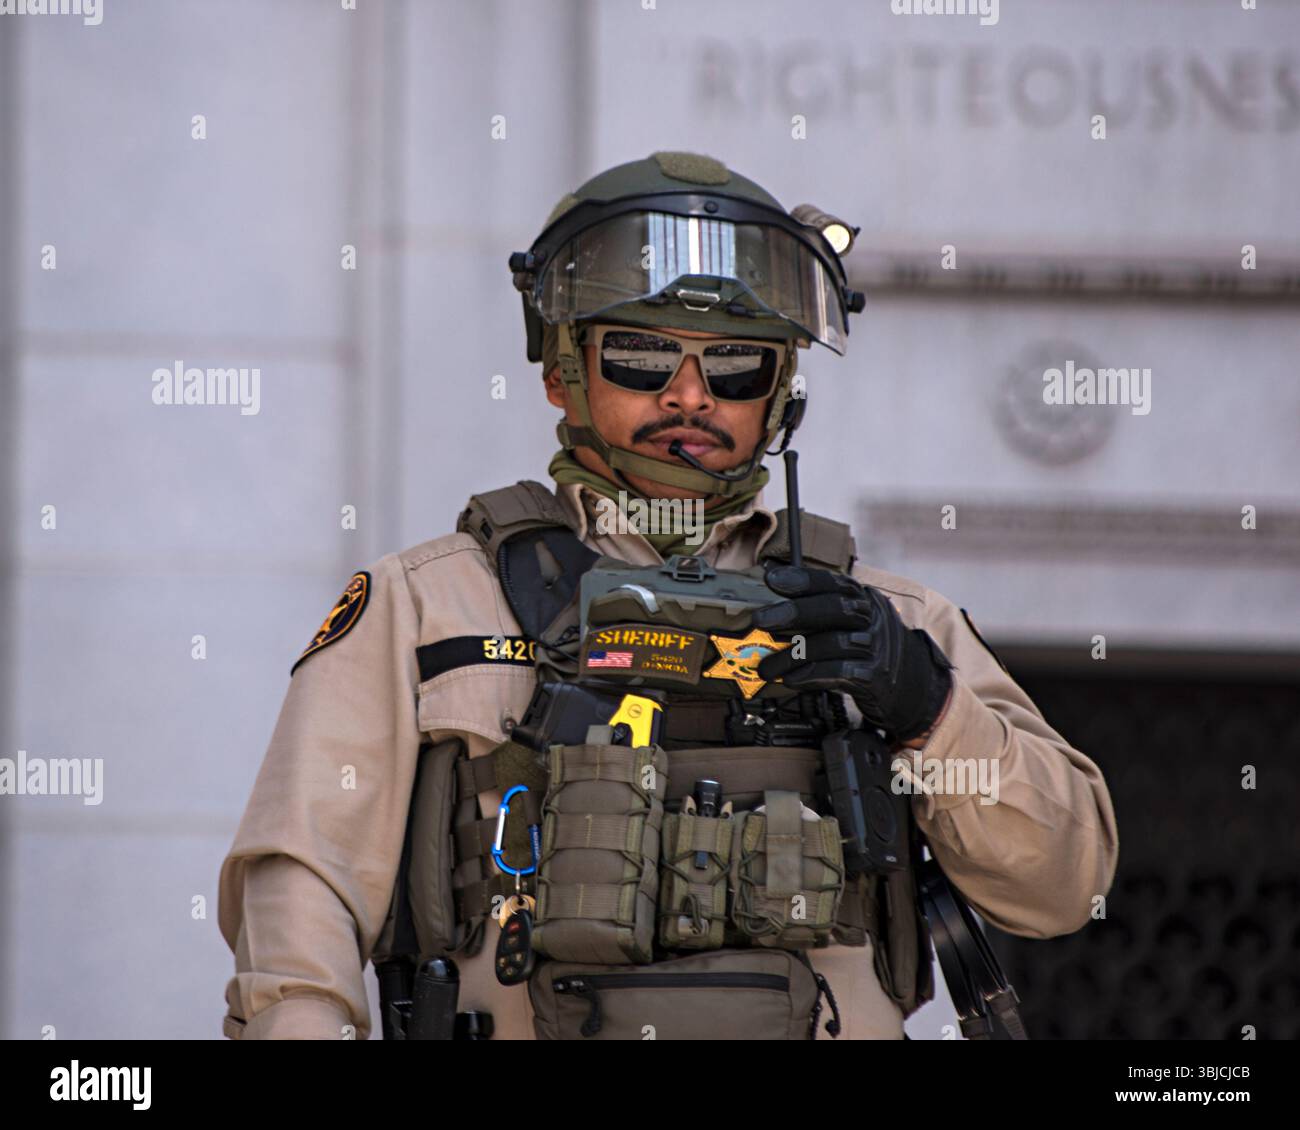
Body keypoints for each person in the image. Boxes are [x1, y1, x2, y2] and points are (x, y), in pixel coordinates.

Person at [217, 151, 1118, 1040]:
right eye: (642, 358)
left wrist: (929, 709)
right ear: (562, 372)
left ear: (780, 397)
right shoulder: (428, 605)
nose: (690, 395)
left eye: (735, 369)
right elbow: (302, 891)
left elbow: (1067, 883)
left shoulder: (893, 623)